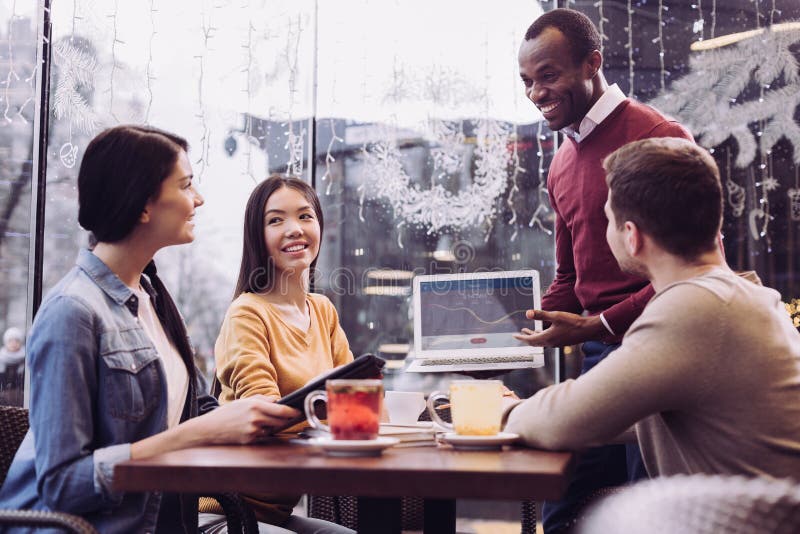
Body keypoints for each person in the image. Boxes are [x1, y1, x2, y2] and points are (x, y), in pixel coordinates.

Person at [0, 125, 302, 534]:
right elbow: (62, 486)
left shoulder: (150, 295)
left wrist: (252, 416)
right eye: (185, 185)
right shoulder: (71, 313)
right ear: (143, 205)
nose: (198, 199)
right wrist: (197, 434)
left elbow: (193, 408)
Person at [509, 137, 800, 492]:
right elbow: (621, 412)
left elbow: (565, 423)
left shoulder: (694, 308)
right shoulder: (743, 295)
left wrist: (498, 412)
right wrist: (532, 408)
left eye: (607, 221)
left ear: (631, 236)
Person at [515, 8, 693, 531]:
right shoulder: (561, 162)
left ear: (592, 63)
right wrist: (513, 335)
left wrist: (600, 324)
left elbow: (689, 272)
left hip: (664, 347)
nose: (535, 93)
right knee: (563, 501)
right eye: (526, 81)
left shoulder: (659, 134)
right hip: (600, 354)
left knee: (650, 511)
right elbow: (571, 279)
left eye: (548, 75)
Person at [209, 175, 354, 534]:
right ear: (257, 236)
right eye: (276, 220)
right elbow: (265, 414)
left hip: (271, 514)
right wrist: (332, 408)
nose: (294, 229)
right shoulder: (247, 313)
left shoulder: (322, 310)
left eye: (305, 216)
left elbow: (356, 402)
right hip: (221, 510)